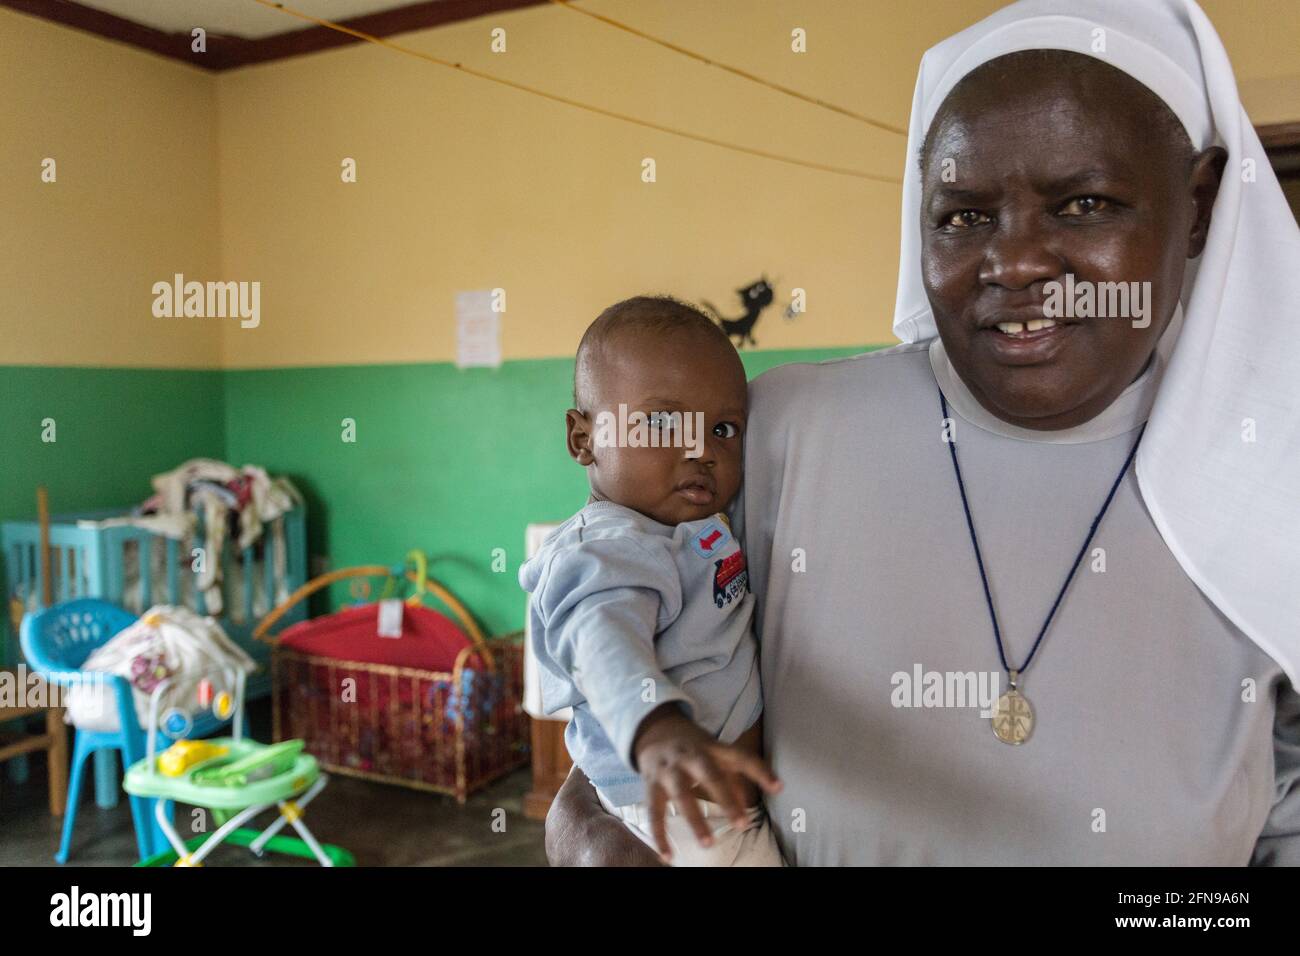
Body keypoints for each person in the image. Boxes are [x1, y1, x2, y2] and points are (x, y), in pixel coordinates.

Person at [545, 0, 1300, 865]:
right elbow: (623, 676)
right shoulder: (780, 434)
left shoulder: (1274, 471)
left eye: (1084, 203)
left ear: (1198, 204)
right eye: (964, 216)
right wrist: (594, 829)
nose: (1014, 262)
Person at [520, 296, 783, 865]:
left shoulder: (688, 528)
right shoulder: (607, 548)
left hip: (726, 819)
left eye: (723, 427)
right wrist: (653, 727)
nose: (702, 449)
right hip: (668, 823)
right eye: (662, 422)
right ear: (582, 438)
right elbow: (600, 642)